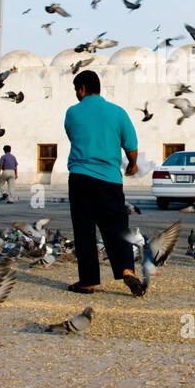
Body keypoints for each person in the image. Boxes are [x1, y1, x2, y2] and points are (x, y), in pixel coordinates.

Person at [63, 70, 138, 293]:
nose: (77, 94)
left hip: (80, 178)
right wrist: (132, 165)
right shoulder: (118, 112)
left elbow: (73, 136)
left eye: (77, 89)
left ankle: (88, 281)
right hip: (110, 180)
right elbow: (131, 145)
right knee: (117, 226)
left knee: (84, 230)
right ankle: (126, 269)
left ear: (82, 89)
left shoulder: (72, 113)